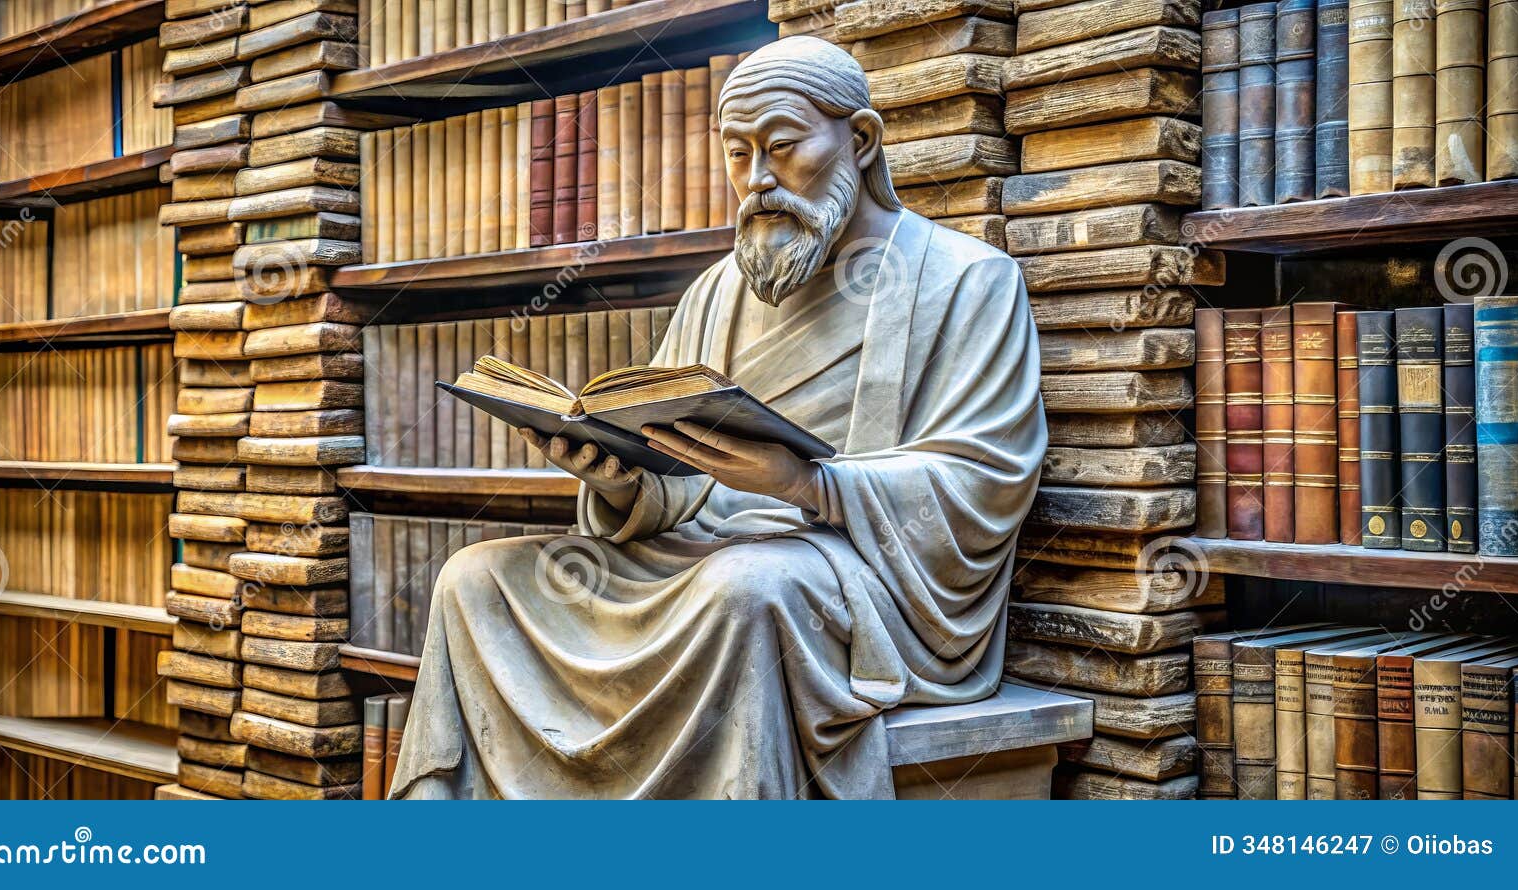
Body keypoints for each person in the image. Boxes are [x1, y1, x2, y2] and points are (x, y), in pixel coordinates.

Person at [390, 35, 1046, 799]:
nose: (758, 179)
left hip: (850, 574)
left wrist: (806, 482)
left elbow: (987, 477)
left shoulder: (968, 280)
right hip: (693, 556)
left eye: (783, 146)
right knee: (476, 580)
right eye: (738, 155)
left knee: (747, 587)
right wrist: (619, 482)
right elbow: (683, 477)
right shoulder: (717, 291)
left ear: (860, 140)